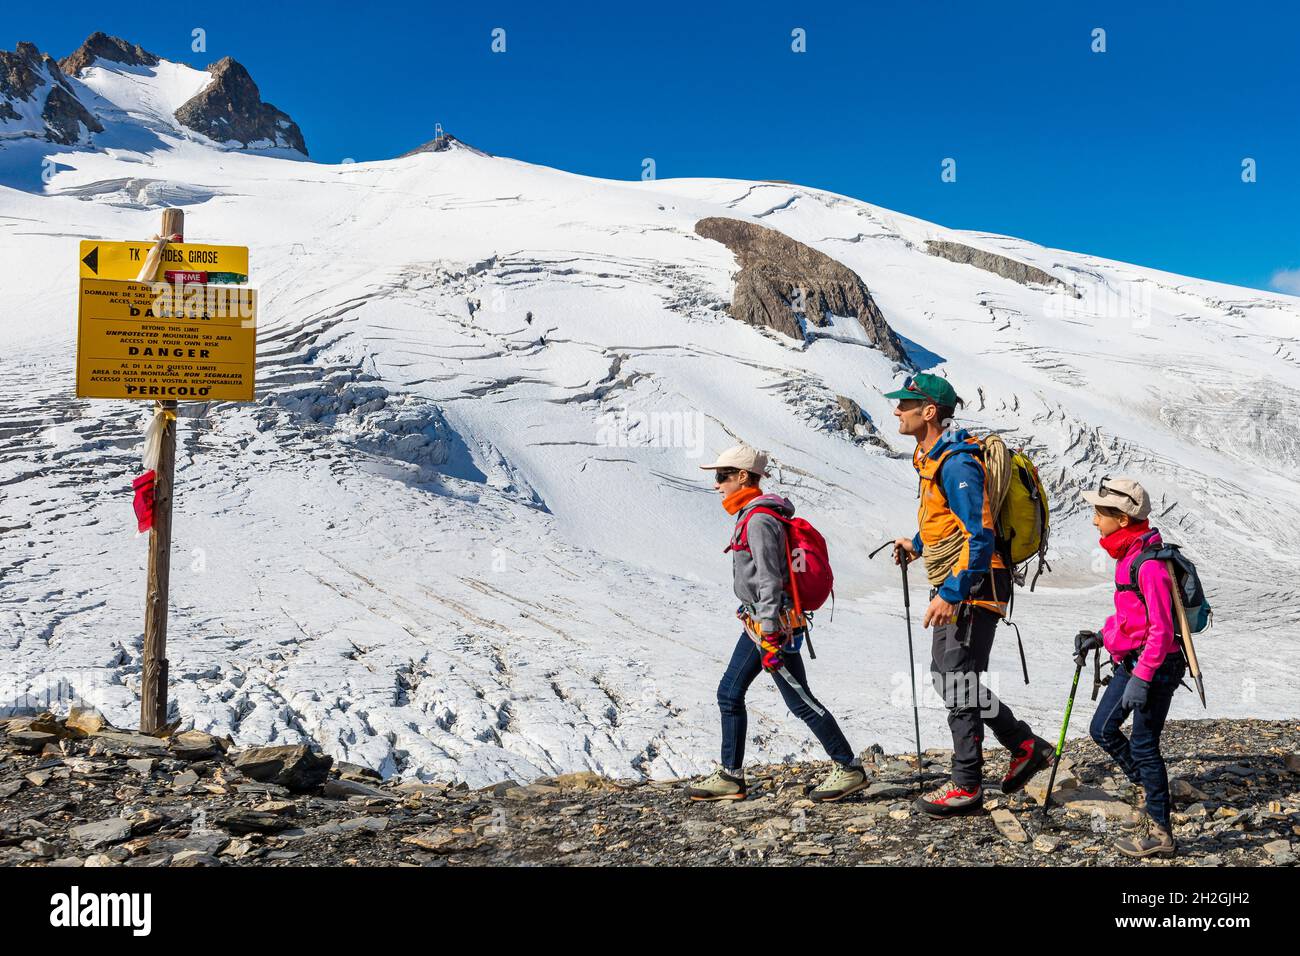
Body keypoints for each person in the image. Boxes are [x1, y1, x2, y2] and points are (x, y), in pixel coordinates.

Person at [887, 373, 1054, 816]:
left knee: (956, 677)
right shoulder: (933, 459)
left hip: (975, 585)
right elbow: (949, 523)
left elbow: (979, 535)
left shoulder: (957, 462)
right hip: (962, 582)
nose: (896, 410)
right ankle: (1023, 744)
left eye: (905, 403)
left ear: (929, 412)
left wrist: (953, 592)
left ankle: (967, 784)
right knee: (949, 675)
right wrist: (917, 544)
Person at [684, 443, 867, 803]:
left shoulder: (759, 520)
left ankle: (848, 767)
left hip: (771, 626)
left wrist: (769, 633)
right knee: (730, 693)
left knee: (798, 700)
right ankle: (730, 776)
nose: (717, 484)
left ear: (742, 477)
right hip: (758, 624)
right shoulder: (753, 516)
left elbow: (770, 579)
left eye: (722, 476)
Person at [1075, 477, 1186, 858]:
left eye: (1099, 513)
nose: (1094, 521)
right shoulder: (1129, 556)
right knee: (1102, 729)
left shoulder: (1148, 565)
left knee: (1143, 745)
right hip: (1133, 661)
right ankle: (1150, 794)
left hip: (1156, 665)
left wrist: (1142, 677)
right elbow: (1132, 620)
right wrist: (1103, 637)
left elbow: (1161, 629)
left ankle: (1160, 833)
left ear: (1122, 519)